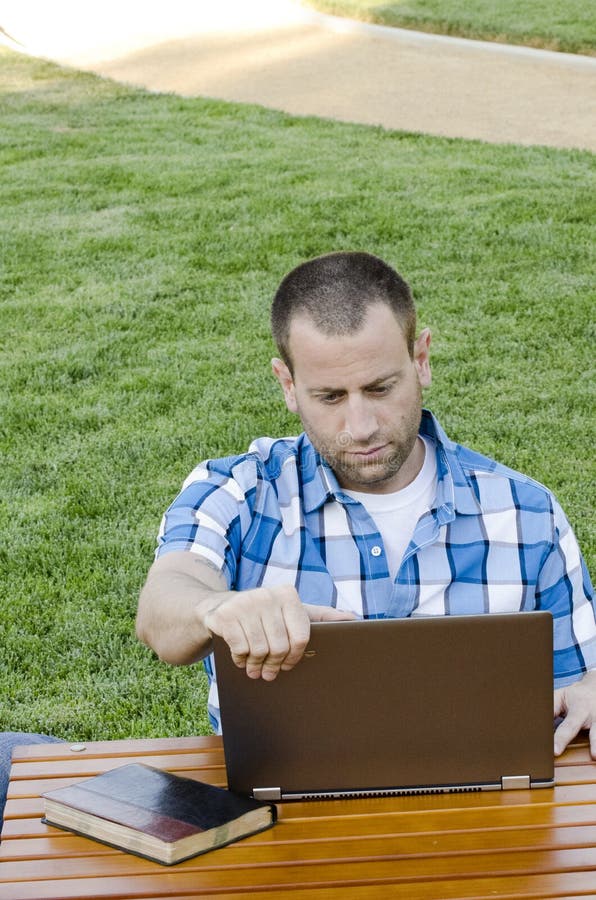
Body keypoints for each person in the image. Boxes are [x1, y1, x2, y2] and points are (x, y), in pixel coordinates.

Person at [136, 250, 596, 758]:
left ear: (421, 360)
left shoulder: (527, 513)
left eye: (380, 388)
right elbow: (162, 611)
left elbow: (581, 682)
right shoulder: (239, 491)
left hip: (477, 812)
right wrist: (217, 609)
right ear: (288, 386)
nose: (361, 427)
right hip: (283, 817)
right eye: (330, 397)